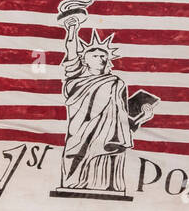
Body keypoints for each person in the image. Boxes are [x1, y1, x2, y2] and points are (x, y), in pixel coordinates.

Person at [60, 16, 156, 192]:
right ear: (84, 59)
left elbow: (120, 118)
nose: (101, 59)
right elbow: (71, 51)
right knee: (74, 170)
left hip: (108, 141)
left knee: (106, 175)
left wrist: (142, 117)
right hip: (79, 136)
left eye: (103, 56)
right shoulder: (75, 80)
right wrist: (72, 30)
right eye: (95, 55)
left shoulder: (115, 83)